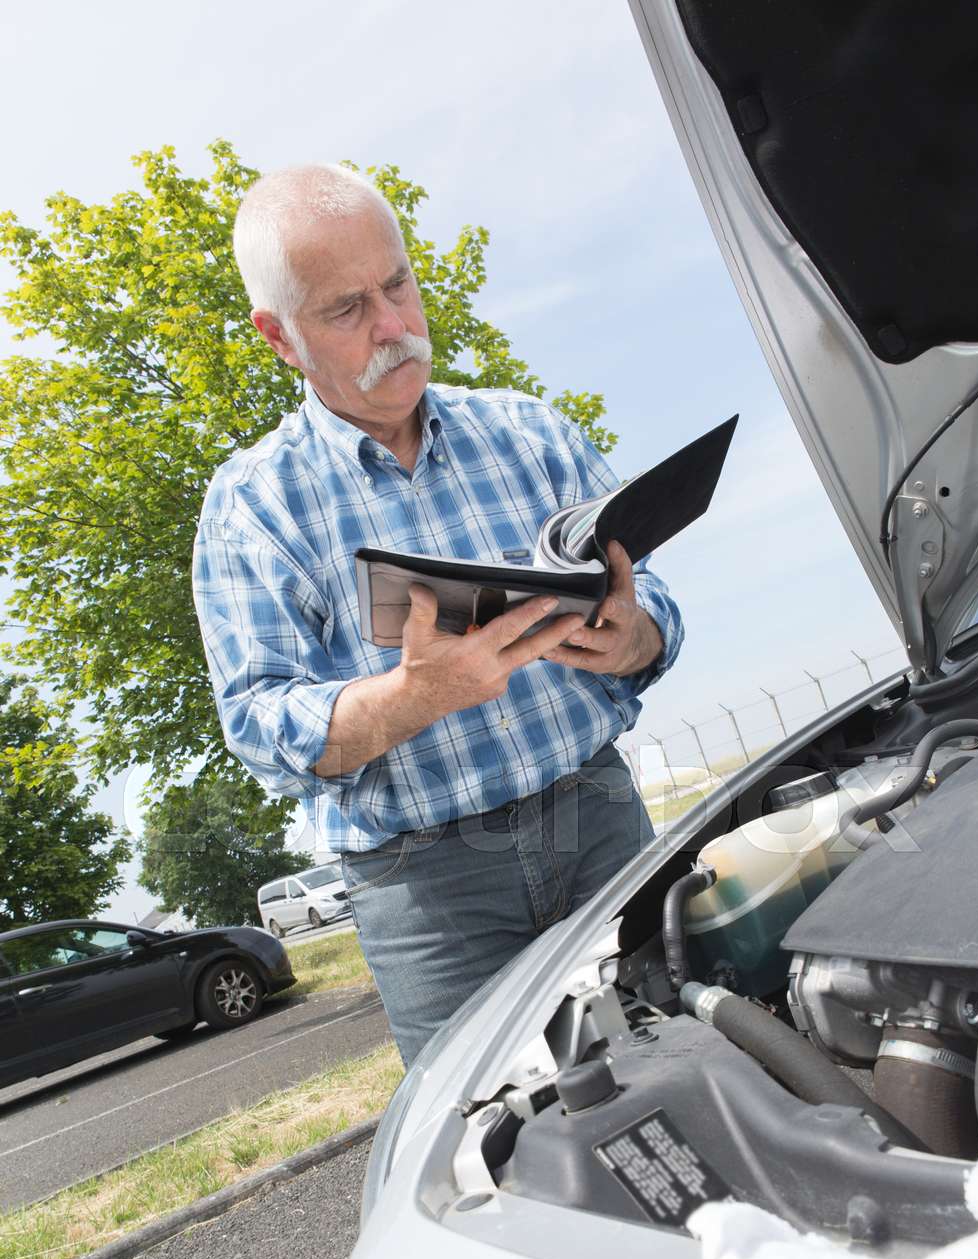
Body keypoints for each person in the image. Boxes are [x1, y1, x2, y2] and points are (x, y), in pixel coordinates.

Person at [193, 164, 683, 1066]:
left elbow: (650, 600)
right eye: (346, 310)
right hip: (431, 895)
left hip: (604, 820)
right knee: (497, 1147)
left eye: (397, 285)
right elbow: (259, 722)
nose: (393, 326)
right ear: (280, 337)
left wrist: (633, 637)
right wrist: (414, 696)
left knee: (692, 1066)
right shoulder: (253, 507)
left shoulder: (527, 429)